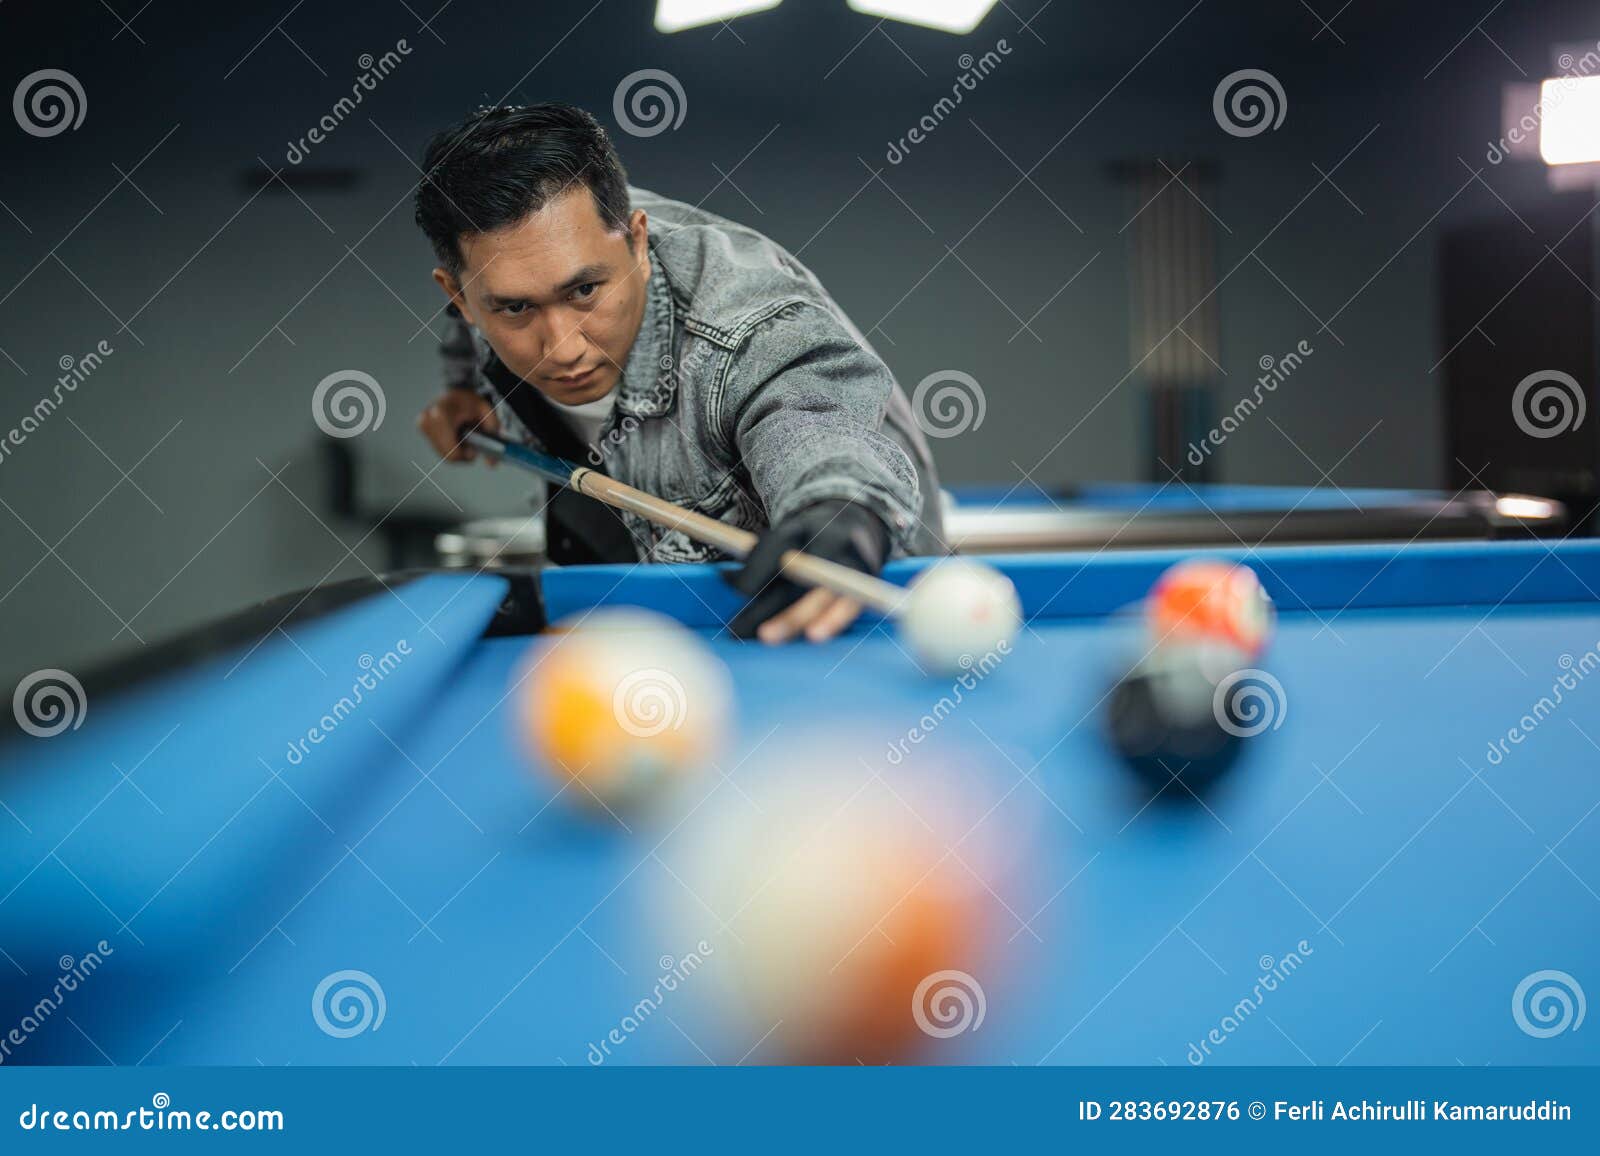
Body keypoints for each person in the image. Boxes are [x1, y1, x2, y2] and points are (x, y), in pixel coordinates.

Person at [413, 103, 943, 643]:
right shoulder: (495, 273)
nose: (564, 350)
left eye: (585, 291)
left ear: (638, 242)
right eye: (515, 309)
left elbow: (812, 422)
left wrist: (841, 509)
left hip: (837, 610)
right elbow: (466, 333)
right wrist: (463, 388)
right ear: (459, 296)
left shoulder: (744, 335)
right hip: (636, 592)